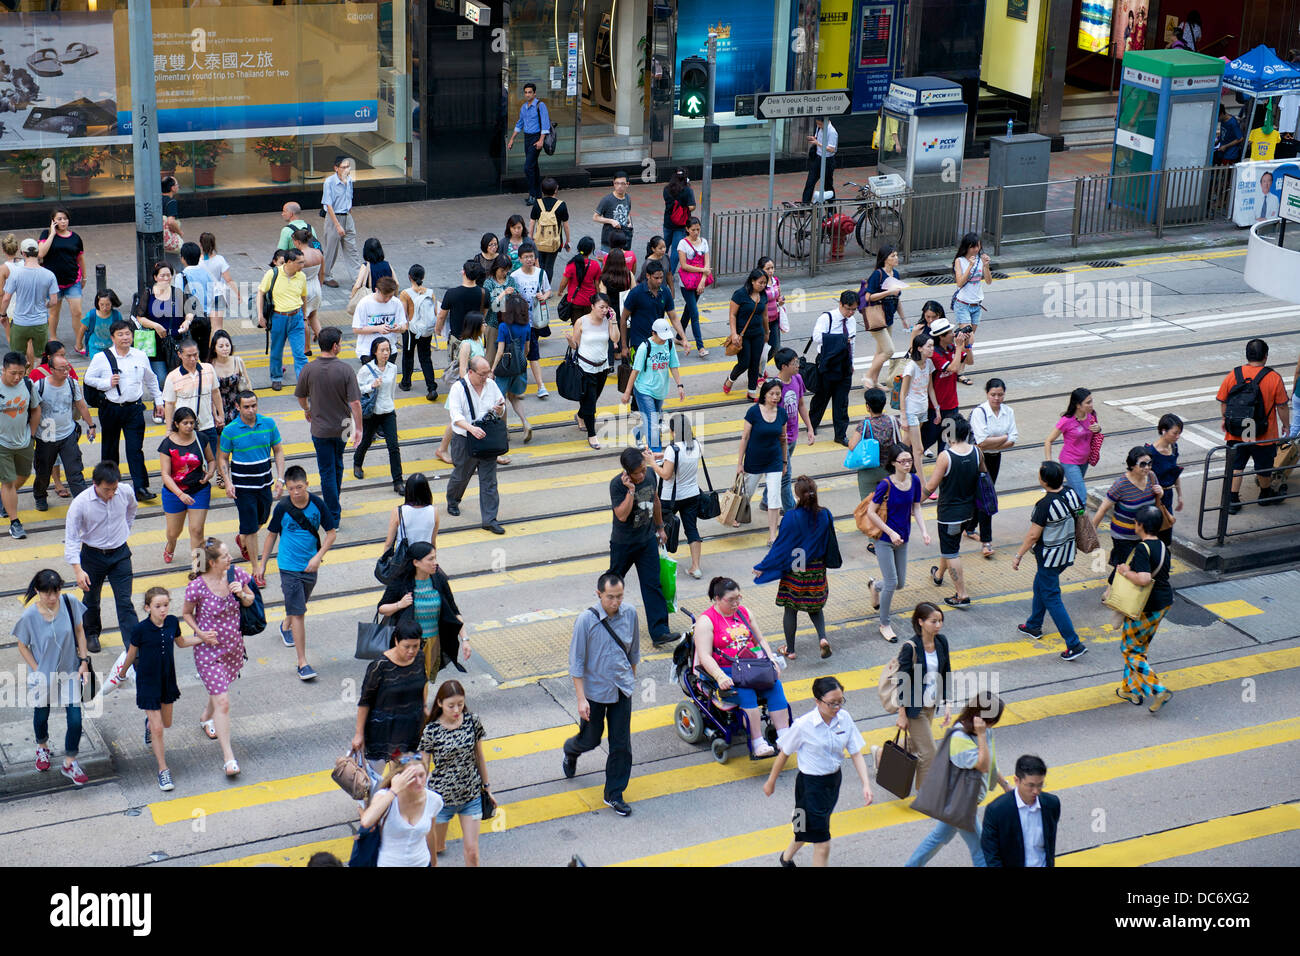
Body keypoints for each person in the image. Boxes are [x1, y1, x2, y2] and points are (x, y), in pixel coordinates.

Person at [764, 675, 872, 867]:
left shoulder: (844, 718)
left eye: (840, 702)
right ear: (817, 701)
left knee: (806, 827)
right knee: (822, 843)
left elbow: (855, 752)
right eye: (832, 703)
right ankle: (788, 858)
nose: (837, 708)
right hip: (810, 786)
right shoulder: (803, 725)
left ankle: (785, 858)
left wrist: (866, 784)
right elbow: (784, 753)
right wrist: (771, 781)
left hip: (833, 782)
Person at [905, 692, 1013, 867]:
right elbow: (983, 765)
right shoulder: (960, 738)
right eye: (992, 720)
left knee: (939, 837)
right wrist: (982, 736)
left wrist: (1005, 785)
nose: (993, 724)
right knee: (980, 849)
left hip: (961, 801)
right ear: (979, 716)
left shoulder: (985, 731)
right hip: (960, 803)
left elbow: (991, 762)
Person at [562, 572, 640, 815]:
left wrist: (630, 679)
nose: (615, 602)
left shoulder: (631, 614)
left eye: (619, 597)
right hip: (594, 693)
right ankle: (571, 750)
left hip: (620, 689)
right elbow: (576, 662)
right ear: (599, 595)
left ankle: (614, 793)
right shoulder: (586, 620)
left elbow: (634, 652)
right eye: (610, 597)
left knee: (621, 744)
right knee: (591, 739)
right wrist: (580, 698)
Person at [693, 576, 792, 757]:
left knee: (775, 686)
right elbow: (704, 655)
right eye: (730, 600)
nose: (736, 603)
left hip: (752, 665)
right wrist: (719, 676)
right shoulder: (706, 621)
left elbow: (760, 639)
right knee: (745, 691)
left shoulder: (744, 612)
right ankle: (757, 742)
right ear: (717, 598)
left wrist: (771, 661)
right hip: (727, 670)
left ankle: (784, 735)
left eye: (738, 598)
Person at [182, 537, 256, 777]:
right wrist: (201, 633)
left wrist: (242, 596)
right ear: (212, 562)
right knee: (223, 701)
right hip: (208, 651)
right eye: (225, 556)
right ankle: (229, 758)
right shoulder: (197, 587)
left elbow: (251, 599)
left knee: (220, 690)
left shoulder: (237, 575)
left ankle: (206, 717)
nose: (230, 558)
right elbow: (186, 614)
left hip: (233, 647)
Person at [261, 464, 337, 682]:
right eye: (291, 488)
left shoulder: (317, 504)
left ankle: (285, 625)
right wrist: (262, 564)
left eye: (300, 487)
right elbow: (271, 535)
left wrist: (318, 556)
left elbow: (331, 534)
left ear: (307, 484)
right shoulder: (283, 508)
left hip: (310, 566)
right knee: (299, 613)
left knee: (299, 604)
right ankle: (302, 662)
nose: (296, 492)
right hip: (288, 567)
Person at [14, 568, 90, 786]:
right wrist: (37, 670)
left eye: (56, 591)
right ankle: (42, 747)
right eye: (47, 593)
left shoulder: (69, 603)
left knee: (75, 720)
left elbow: (79, 631)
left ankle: (69, 762)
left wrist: (83, 661)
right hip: (44, 677)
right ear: (38, 591)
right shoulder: (30, 616)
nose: (53, 597)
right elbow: (22, 646)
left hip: (70, 672)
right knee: (41, 715)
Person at [1012, 461, 1089, 662]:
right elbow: (1080, 513)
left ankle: (1074, 644)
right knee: (1041, 585)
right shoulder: (1071, 492)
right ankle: (1034, 625)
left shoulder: (1044, 505)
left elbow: (1032, 536)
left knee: (1052, 597)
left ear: (1044, 481)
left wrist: (1018, 555)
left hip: (1049, 558)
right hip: (1067, 553)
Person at [754, 475, 837, 659]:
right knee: (815, 607)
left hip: (797, 567)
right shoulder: (825, 514)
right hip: (816, 568)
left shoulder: (791, 516)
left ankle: (790, 650)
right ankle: (822, 638)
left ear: (797, 495)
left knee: (790, 608)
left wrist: (763, 566)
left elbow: (781, 547)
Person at [119, 587, 192, 791]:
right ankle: (163, 770)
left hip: (167, 679)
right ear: (147, 607)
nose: (163, 610)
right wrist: (122, 673)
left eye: (166, 605)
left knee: (165, 724)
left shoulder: (171, 622)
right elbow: (132, 654)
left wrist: (205, 638)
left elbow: (182, 642)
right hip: (147, 681)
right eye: (158, 606)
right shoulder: (140, 629)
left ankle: (149, 724)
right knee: (159, 729)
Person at [64, 462, 138, 655]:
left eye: (114, 489)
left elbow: (132, 510)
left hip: (120, 554)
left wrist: (125, 531)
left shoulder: (125, 491)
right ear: (95, 484)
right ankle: (91, 633)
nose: (111, 494)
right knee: (91, 598)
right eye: (107, 490)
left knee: (124, 601)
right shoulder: (80, 504)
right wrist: (78, 570)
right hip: (92, 555)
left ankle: (133, 648)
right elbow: (71, 538)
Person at [295, 327, 363, 528]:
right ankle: (334, 509)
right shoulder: (345, 369)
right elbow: (355, 404)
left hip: (320, 429)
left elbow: (300, 396)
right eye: (340, 343)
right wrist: (358, 428)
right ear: (335, 346)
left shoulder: (309, 369)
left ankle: (332, 511)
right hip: (343, 427)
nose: (341, 346)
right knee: (338, 465)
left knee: (326, 471)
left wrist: (307, 409)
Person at [217, 391, 286, 588]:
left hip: (265, 483)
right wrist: (228, 482)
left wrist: (280, 478)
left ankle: (242, 538)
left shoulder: (268, 424)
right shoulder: (231, 430)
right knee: (252, 529)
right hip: (243, 487)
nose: (251, 410)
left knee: (261, 520)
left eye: (254, 405)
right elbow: (223, 457)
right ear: (238, 407)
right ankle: (257, 569)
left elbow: (278, 450)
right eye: (246, 406)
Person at [376, 541, 469, 683]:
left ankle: (421, 704)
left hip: (433, 643)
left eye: (435, 558)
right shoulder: (401, 581)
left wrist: (465, 640)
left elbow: (454, 612)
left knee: (424, 682)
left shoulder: (439, 579)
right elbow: (382, 609)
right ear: (416, 562)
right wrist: (400, 604)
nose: (435, 563)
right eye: (430, 559)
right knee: (413, 683)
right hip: (409, 645)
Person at [419, 680, 490, 866]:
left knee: (472, 852)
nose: (456, 710)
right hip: (441, 800)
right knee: (433, 851)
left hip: (471, 795)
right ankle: (440, 845)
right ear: (440, 703)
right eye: (451, 706)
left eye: (460, 704)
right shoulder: (431, 731)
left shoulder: (472, 722)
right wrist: (418, 795)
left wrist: (487, 787)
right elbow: (424, 766)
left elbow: (479, 756)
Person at [352, 615, 432, 774]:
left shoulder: (419, 657)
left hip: (409, 729)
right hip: (381, 732)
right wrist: (359, 734)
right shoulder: (380, 666)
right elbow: (365, 702)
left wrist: (424, 707)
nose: (411, 651)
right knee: (373, 783)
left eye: (415, 646)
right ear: (396, 641)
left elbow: (423, 682)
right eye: (406, 646)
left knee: (406, 779)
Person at [1114, 505, 1175, 713]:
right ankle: (1130, 689)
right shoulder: (1163, 545)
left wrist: (1124, 572)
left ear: (1139, 525)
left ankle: (1159, 689)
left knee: (1129, 649)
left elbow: (1144, 578)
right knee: (1139, 648)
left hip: (1145, 606)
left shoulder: (1143, 548)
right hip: (1163, 603)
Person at [1217, 338, 1289, 513]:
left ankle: (1232, 500)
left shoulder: (1233, 374)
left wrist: (1225, 419)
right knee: (1264, 466)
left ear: (1247, 355)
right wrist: (1286, 425)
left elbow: (1223, 400)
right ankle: (1265, 494)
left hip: (1236, 432)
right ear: (1265, 356)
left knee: (1236, 465)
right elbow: (1282, 405)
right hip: (1264, 433)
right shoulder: (1273, 377)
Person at [608, 446, 671, 645]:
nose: (643, 475)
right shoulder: (617, 485)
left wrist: (660, 527)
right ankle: (605, 621)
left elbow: (655, 500)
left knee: (653, 584)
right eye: (638, 473)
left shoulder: (651, 475)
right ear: (627, 473)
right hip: (623, 544)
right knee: (613, 583)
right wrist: (631, 491)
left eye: (644, 469)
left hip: (646, 541)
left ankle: (660, 631)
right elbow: (622, 515)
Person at [867, 444, 930, 643]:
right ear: (894, 463)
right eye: (903, 461)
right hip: (884, 540)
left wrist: (925, 531)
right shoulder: (885, 484)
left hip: (903, 538)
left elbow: (916, 508)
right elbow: (871, 512)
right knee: (892, 582)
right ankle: (884, 623)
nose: (907, 464)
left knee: (899, 583)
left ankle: (875, 586)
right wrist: (890, 532)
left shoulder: (915, 481)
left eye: (909, 460)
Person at [893, 602, 953, 788]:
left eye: (940, 621)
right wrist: (902, 714)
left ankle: (880, 755)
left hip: (931, 705)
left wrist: (947, 702)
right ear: (920, 622)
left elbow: (946, 672)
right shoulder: (910, 647)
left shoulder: (941, 641)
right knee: (929, 752)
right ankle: (924, 795)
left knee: (917, 743)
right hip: (914, 708)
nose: (938, 625)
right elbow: (902, 681)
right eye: (933, 621)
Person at [1093, 445, 1164, 601]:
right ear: (1132, 465)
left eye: (1149, 463)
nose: (1147, 468)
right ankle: (1110, 591)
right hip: (1123, 534)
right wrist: (1092, 531)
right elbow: (1103, 508)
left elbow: (1156, 506)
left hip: (1144, 533)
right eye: (1143, 464)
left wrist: (1161, 493)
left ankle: (1118, 590)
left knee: (1132, 563)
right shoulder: (1121, 484)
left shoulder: (1152, 477)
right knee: (1126, 563)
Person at [924, 414, 980, 608]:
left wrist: (914, 503)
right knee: (950, 546)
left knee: (952, 552)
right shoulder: (977, 452)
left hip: (949, 514)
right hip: (969, 511)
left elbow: (931, 486)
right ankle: (939, 575)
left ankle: (961, 594)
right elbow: (983, 476)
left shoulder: (946, 456)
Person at [446, 356, 506, 534]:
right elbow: (455, 416)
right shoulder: (458, 388)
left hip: (487, 439)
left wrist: (500, 409)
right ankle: (453, 499)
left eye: (488, 373)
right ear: (470, 372)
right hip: (464, 440)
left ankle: (490, 519)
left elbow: (502, 404)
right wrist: (471, 429)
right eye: (482, 374)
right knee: (461, 475)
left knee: (489, 481)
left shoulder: (491, 385)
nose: (486, 377)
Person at [31, 349, 92, 513]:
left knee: (75, 471)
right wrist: (30, 435)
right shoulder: (40, 386)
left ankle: (83, 503)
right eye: (62, 369)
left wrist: (91, 425)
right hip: (46, 436)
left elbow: (81, 405)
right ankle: (40, 496)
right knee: (43, 472)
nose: (66, 372)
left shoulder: (72, 383)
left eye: (67, 368)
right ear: (51, 370)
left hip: (68, 434)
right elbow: (32, 410)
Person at [360, 753, 443, 868]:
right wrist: (393, 791)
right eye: (412, 777)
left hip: (422, 863)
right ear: (400, 778)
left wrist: (434, 863)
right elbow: (366, 821)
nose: (419, 782)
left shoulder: (434, 800)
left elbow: (430, 834)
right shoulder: (385, 797)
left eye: (421, 775)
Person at [965, 378, 1017, 557]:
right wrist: (1003, 438)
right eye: (993, 395)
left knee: (981, 494)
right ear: (987, 394)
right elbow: (981, 442)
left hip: (995, 458)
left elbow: (1013, 439)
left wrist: (994, 443)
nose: (997, 398)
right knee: (986, 497)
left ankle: (970, 527)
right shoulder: (980, 412)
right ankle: (986, 542)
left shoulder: (1008, 411)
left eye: (1000, 394)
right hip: (979, 459)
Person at [648, 413, 704, 579]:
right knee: (692, 529)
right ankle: (696, 567)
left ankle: (657, 564)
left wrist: (652, 462)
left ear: (673, 431)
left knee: (659, 528)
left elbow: (666, 474)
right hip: (692, 494)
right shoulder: (696, 445)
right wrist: (663, 456)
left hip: (669, 498)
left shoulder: (673, 449)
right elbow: (682, 458)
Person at [158, 407, 216, 565]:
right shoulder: (167, 444)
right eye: (185, 423)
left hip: (199, 490)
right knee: (173, 532)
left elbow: (211, 460)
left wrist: (210, 473)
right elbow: (165, 474)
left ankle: (200, 567)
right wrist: (180, 494)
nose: (189, 426)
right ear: (176, 424)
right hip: (174, 493)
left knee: (197, 530)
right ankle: (170, 545)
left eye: (192, 422)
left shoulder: (201, 438)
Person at [735, 379, 789, 544]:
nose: (775, 397)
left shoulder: (781, 413)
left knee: (774, 497)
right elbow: (745, 438)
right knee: (747, 492)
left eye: (778, 394)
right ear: (764, 394)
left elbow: (783, 440)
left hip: (774, 460)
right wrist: (739, 463)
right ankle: (737, 514)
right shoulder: (753, 412)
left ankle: (773, 535)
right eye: (771, 393)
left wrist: (784, 462)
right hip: (754, 460)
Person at [981, 754, 1060, 867]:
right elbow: (991, 855)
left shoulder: (1052, 804)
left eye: (1040, 785)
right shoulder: (996, 811)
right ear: (1016, 780)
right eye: (1030, 785)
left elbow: (1049, 845)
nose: (1036, 791)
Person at [622, 317, 684, 455]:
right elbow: (635, 371)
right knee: (653, 423)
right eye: (661, 337)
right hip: (644, 390)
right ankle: (656, 453)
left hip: (660, 390)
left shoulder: (669, 344)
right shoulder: (645, 347)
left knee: (651, 420)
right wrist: (627, 392)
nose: (663, 340)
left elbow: (673, 365)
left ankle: (638, 433)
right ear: (653, 333)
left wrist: (680, 385)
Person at [132, 260, 191, 400]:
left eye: (169, 275)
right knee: (161, 379)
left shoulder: (177, 293)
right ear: (155, 277)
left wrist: (187, 321)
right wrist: (156, 325)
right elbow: (139, 317)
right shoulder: (148, 293)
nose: (166, 278)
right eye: (162, 275)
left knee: (179, 377)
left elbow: (190, 311)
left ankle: (177, 407)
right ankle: (161, 406)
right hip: (155, 344)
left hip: (176, 342)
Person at [566, 292, 618, 450]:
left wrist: (614, 321)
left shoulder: (607, 321)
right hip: (585, 368)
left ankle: (581, 415)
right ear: (592, 306)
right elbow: (576, 345)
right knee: (590, 403)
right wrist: (570, 342)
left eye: (606, 307)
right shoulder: (581, 322)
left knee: (593, 399)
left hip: (602, 368)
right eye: (601, 307)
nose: (604, 310)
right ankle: (592, 434)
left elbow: (615, 339)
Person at [354, 337, 405, 494]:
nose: (385, 353)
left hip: (388, 411)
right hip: (371, 413)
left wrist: (392, 405)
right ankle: (357, 462)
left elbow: (392, 391)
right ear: (375, 352)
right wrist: (371, 386)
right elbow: (356, 390)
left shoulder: (393, 368)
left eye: (388, 350)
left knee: (393, 447)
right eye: (382, 350)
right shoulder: (365, 369)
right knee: (366, 441)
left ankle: (398, 481)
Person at [809, 291, 859, 446]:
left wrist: (851, 363)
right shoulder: (827, 318)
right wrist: (840, 340)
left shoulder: (852, 321)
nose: (850, 313)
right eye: (848, 309)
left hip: (844, 365)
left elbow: (852, 344)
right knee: (822, 397)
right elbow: (816, 337)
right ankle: (812, 424)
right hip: (828, 364)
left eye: (854, 310)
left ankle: (840, 434)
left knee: (842, 401)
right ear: (840, 304)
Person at [162, 336, 223, 463]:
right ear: (179, 354)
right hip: (185, 429)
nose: (193, 359)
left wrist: (219, 415)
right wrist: (169, 429)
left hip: (207, 425)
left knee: (210, 461)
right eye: (188, 356)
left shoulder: (208, 369)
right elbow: (169, 404)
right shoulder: (172, 377)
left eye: (195, 355)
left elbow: (215, 392)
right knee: (190, 464)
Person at [436, 259, 489, 401]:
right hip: (476, 338)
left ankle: (460, 395)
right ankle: (475, 391)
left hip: (457, 339)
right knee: (475, 367)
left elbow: (442, 316)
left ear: (463, 272)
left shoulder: (452, 293)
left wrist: (437, 329)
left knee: (457, 368)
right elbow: (484, 314)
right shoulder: (484, 293)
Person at [257, 247, 309, 391]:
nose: (303, 266)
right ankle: (276, 377)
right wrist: (260, 315)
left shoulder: (302, 276)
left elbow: (304, 296)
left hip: (296, 317)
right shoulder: (272, 274)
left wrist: (304, 316)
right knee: (277, 350)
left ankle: (304, 385)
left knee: (300, 354)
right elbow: (261, 292)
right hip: (278, 317)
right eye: (300, 263)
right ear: (289, 262)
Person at [1, 238, 58, 366]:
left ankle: (22, 380)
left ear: (23, 253)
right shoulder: (49, 274)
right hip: (40, 322)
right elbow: (54, 301)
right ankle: (35, 380)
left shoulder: (15, 274)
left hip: (20, 322)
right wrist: (45, 305)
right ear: (38, 252)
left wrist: (3, 315)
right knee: (40, 357)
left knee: (17, 357)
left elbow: (6, 298)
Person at [0, 351, 39, 537]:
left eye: (21, 373)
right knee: (7, 482)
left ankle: (4, 500)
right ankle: (15, 522)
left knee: (23, 476)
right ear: (3, 370)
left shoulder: (27, 384)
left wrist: (31, 434)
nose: (17, 377)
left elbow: (36, 409)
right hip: (1, 444)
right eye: (13, 373)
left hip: (23, 441)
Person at [36, 209, 85, 351]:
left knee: (77, 312)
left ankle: (78, 342)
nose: (63, 221)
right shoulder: (46, 234)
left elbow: (80, 258)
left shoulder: (75, 237)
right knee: (53, 312)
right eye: (59, 219)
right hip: (52, 283)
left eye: (65, 218)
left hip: (72, 280)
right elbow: (41, 253)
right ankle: (53, 339)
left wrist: (85, 277)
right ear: (53, 221)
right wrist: (52, 233)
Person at [508, 241, 552, 397]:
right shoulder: (514, 276)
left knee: (533, 353)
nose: (529, 260)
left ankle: (540, 386)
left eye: (531, 257)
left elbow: (548, 291)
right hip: (520, 321)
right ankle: (520, 385)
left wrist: (543, 296)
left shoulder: (541, 273)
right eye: (526, 257)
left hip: (536, 321)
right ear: (519, 259)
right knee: (521, 353)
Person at [492, 292, 536, 452]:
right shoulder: (526, 327)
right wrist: (520, 362)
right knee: (514, 397)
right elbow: (527, 349)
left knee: (500, 400)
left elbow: (500, 351)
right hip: (519, 367)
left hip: (504, 368)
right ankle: (526, 423)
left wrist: (492, 369)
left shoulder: (504, 327)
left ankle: (504, 431)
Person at [1043, 386, 1101, 505]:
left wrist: (1099, 428)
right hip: (1069, 462)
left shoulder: (1091, 416)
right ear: (1078, 405)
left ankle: (1056, 504)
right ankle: (1081, 522)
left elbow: (1094, 433)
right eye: (1088, 402)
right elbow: (1048, 440)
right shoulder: (1066, 420)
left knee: (1072, 491)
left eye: (1092, 401)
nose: (1091, 404)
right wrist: (1049, 462)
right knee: (1081, 496)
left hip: (1084, 461)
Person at [924, 316, 973, 456]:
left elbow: (969, 361)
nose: (953, 334)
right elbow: (954, 368)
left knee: (948, 444)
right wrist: (959, 347)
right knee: (927, 440)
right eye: (950, 332)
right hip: (935, 409)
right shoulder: (934, 354)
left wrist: (967, 344)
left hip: (952, 406)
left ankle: (945, 472)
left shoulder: (952, 348)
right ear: (941, 336)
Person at [774, 347, 814, 512]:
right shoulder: (774, 387)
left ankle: (765, 501)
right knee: (785, 476)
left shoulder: (797, 379)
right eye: (794, 362)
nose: (798, 365)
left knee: (780, 472)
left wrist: (809, 428)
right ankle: (791, 510)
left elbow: (801, 405)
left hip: (793, 435)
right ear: (784, 366)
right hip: (779, 440)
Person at [619, 259, 684, 361]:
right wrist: (624, 346)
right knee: (639, 374)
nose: (659, 281)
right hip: (639, 344)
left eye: (661, 278)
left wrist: (683, 338)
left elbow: (674, 318)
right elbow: (623, 319)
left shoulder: (665, 292)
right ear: (648, 276)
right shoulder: (636, 293)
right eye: (656, 278)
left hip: (659, 342)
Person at [862, 245, 906, 388]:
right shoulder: (878, 274)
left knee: (880, 351)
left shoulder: (896, 274)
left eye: (896, 255)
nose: (896, 258)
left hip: (889, 319)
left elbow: (897, 298)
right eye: (893, 256)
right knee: (889, 351)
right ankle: (868, 376)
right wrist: (888, 292)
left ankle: (874, 381)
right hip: (877, 318)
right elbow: (869, 297)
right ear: (885, 259)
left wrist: (903, 318)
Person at [722, 268, 769, 401]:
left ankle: (751, 391)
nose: (763, 285)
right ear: (752, 281)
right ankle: (730, 379)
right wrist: (734, 334)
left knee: (755, 363)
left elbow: (765, 315)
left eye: (765, 283)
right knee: (744, 363)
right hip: (743, 335)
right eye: (760, 282)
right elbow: (732, 315)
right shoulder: (740, 294)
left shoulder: (764, 295)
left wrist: (767, 331)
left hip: (758, 334)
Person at [848, 385, 897, 501]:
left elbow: (852, 445)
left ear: (867, 407)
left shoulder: (864, 425)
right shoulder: (893, 421)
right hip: (889, 469)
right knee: (889, 503)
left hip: (868, 470)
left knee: (867, 504)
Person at [320, 155, 362, 288]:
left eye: (348, 167)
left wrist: (349, 213)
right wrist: (337, 225)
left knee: (352, 248)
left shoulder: (349, 180)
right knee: (331, 249)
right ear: (336, 168)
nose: (346, 169)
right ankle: (325, 275)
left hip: (347, 216)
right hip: (334, 218)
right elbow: (328, 205)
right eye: (343, 167)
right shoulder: (329, 182)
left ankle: (357, 278)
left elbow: (349, 198)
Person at [507, 81, 551, 205]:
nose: (527, 95)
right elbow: (519, 123)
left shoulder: (540, 105)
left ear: (534, 93)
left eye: (530, 92)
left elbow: (545, 124)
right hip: (527, 138)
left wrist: (541, 140)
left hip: (536, 138)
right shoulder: (524, 107)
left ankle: (532, 195)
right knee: (533, 167)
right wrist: (512, 139)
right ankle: (538, 195)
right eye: (525, 92)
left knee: (528, 167)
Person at [398, 264, 438, 399]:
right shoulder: (430, 292)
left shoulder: (405, 293)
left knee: (408, 356)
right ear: (423, 277)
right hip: (426, 330)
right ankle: (431, 387)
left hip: (410, 330)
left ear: (409, 277)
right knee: (425, 357)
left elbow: (403, 314)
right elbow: (434, 312)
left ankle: (406, 383)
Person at [208, 330, 251, 454]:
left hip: (236, 408)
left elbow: (248, 386)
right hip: (218, 409)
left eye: (227, 345)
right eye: (220, 346)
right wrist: (215, 415)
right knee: (221, 447)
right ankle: (221, 472)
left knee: (240, 444)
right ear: (214, 348)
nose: (225, 349)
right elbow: (209, 393)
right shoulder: (210, 365)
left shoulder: (238, 361)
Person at [1145, 413, 1184, 547]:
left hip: (1168, 496)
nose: (1177, 436)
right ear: (1163, 431)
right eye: (1175, 433)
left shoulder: (1174, 447)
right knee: (1153, 535)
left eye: (1179, 433)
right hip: (1154, 498)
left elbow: (1175, 473)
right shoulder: (1150, 452)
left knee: (1166, 535)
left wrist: (1180, 496)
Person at [676, 218, 711, 355]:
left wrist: (703, 281)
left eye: (698, 229)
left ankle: (679, 336)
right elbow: (684, 265)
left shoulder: (704, 242)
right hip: (686, 284)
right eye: (693, 230)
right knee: (694, 313)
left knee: (688, 310)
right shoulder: (682, 244)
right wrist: (703, 271)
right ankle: (700, 347)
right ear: (687, 229)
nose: (696, 232)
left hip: (699, 283)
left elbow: (707, 263)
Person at [383, 472, 439, 557]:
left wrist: (384, 563)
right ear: (427, 491)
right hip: (424, 560)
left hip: (404, 561)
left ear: (408, 491)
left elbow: (389, 543)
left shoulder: (398, 511)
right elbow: (432, 541)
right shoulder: (434, 512)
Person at [289, 227, 324, 355]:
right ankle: (324, 344)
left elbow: (293, 274)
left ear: (298, 242)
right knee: (314, 316)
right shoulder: (318, 253)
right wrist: (319, 286)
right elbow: (322, 273)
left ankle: (307, 348)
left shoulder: (300, 257)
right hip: (316, 286)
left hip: (304, 288)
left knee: (303, 318)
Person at [177, 242, 214, 362]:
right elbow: (211, 295)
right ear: (199, 257)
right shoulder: (207, 274)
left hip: (188, 321)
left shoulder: (181, 276)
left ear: (182, 258)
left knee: (188, 355)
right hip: (205, 318)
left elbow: (178, 299)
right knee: (204, 354)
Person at [952, 233, 993, 340]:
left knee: (968, 341)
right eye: (973, 247)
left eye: (978, 246)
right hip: (963, 305)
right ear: (966, 247)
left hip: (977, 305)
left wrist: (986, 266)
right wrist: (970, 265)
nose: (976, 249)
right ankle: (959, 354)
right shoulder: (959, 261)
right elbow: (959, 283)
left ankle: (961, 354)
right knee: (969, 338)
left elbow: (989, 281)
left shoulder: (980, 260)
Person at [530, 177, 570, 279]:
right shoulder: (561, 205)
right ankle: (546, 290)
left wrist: (530, 237)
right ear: (556, 189)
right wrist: (567, 240)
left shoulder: (537, 204)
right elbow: (565, 225)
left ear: (542, 190)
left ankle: (540, 288)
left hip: (539, 240)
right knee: (549, 266)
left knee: (540, 264)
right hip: (555, 241)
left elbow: (532, 222)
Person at [555, 236, 602, 324]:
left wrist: (560, 291)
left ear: (579, 247)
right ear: (591, 250)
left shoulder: (572, 264)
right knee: (589, 325)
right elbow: (597, 284)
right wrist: (599, 297)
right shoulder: (595, 265)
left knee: (577, 326)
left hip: (575, 301)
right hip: (589, 301)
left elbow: (563, 282)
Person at [198, 232, 234, 333]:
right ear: (214, 244)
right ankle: (216, 348)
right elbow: (228, 279)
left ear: (200, 244)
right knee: (217, 327)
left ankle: (207, 347)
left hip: (202, 296)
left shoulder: (197, 261)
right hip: (217, 295)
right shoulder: (220, 259)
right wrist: (237, 294)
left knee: (204, 329)